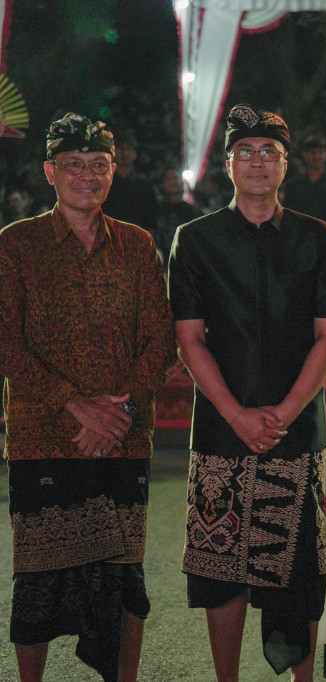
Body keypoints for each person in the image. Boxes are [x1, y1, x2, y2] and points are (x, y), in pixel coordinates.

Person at [168, 104, 326, 681]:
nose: (257, 161)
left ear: (285, 165)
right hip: (221, 429)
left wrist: (285, 413)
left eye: (269, 152)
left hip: (296, 432)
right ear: (227, 164)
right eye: (245, 152)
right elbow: (190, 340)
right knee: (218, 571)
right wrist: (236, 415)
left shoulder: (319, 238)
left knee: (300, 572)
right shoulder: (194, 240)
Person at [0, 113, 177, 682]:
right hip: (43, 438)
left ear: (113, 172)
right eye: (73, 164)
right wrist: (74, 403)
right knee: (37, 581)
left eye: (98, 165)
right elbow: (6, 341)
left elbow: (161, 340)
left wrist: (121, 412)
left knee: (124, 581)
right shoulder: (15, 243)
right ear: (49, 171)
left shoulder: (137, 244)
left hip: (122, 438)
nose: (86, 175)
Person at [281, 134, 326, 233]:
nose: (316, 156)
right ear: (305, 155)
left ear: (325, 155)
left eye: (320, 152)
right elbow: (289, 214)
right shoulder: (293, 185)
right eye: (312, 153)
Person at [102, 134, 159, 237]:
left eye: (128, 149)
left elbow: (151, 218)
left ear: (135, 154)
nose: (124, 153)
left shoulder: (144, 186)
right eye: (120, 149)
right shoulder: (103, 183)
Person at [155, 168, 200, 262]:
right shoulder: (156, 209)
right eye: (168, 179)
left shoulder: (189, 210)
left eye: (175, 178)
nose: (172, 182)